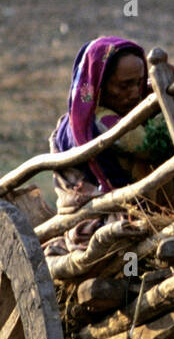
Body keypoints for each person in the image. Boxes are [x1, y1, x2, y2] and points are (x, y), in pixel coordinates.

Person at [48, 36, 155, 218]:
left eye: (139, 82)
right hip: (102, 216)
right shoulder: (97, 121)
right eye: (124, 86)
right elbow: (148, 145)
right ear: (99, 84)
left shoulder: (128, 111)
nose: (136, 93)